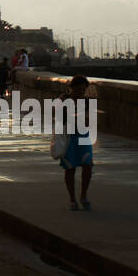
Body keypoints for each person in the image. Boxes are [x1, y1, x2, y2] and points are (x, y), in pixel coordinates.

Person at [59, 75, 97, 210]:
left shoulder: (87, 101)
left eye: (83, 90)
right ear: (72, 88)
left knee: (87, 165)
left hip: (83, 136)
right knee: (70, 168)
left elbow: (90, 120)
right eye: (78, 90)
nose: (81, 92)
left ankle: (84, 195)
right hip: (69, 137)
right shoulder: (63, 99)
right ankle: (72, 199)